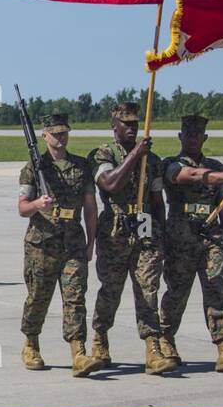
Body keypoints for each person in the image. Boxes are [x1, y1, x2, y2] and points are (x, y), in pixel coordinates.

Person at [159, 115, 223, 373]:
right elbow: (189, 175)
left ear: (204, 138)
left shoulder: (216, 166)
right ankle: (165, 340)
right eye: (187, 135)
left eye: (197, 135)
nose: (192, 139)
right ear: (180, 137)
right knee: (176, 293)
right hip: (181, 238)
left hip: (211, 238)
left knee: (216, 290)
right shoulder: (171, 164)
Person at [88, 103, 176, 375]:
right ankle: (100, 340)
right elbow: (111, 183)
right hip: (115, 228)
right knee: (111, 290)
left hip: (145, 226)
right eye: (126, 124)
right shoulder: (103, 154)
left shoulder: (154, 160)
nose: (132, 129)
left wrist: (162, 236)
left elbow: (156, 200)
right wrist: (136, 154)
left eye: (135, 124)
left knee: (148, 288)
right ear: (114, 126)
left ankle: (153, 347)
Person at [17, 113, 103, 377]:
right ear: (45, 136)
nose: (60, 138)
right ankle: (31, 343)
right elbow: (22, 208)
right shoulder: (33, 166)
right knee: (38, 297)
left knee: (75, 298)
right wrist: (37, 205)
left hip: (73, 241)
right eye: (54, 134)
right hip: (42, 243)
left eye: (64, 132)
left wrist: (91, 242)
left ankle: (78, 352)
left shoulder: (80, 166)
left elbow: (90, 207)